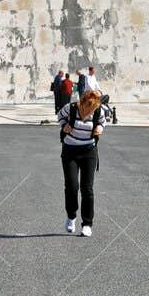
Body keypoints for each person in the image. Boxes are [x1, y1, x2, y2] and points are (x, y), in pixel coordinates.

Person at [59, 88, 104, 237]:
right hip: (70, 151)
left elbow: (103, 122)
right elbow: (60, 116)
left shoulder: (98, 110)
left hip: (89, 151)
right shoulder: (71, 108)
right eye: (87, 109)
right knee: (72, 186)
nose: (90, 112)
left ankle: (87, 224)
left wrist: (99, 127)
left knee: (87, 188)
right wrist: (64, 125)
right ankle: (71, 216)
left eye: (93, 109)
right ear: (82, 103)